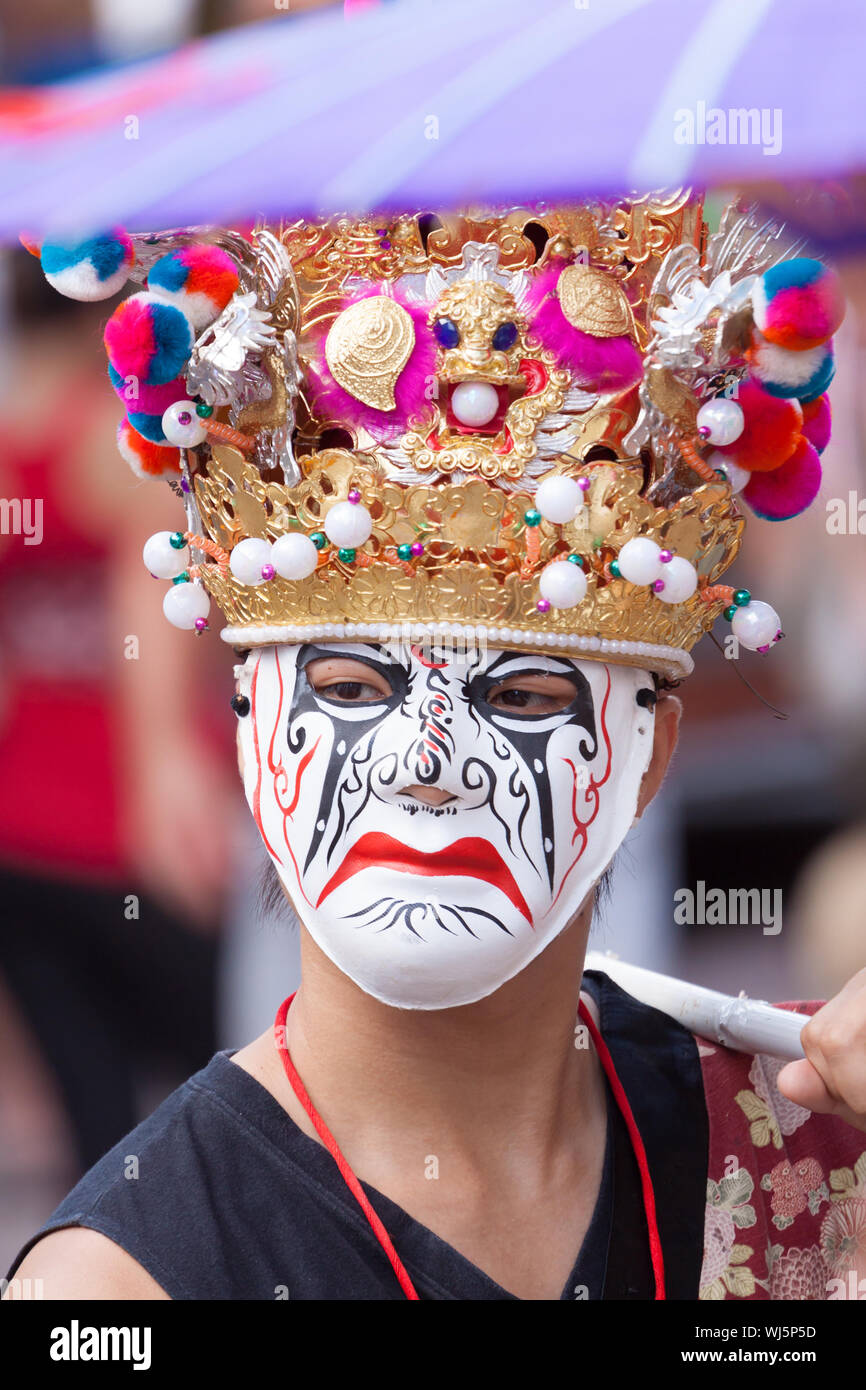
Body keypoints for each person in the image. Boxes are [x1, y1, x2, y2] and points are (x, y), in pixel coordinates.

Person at [5, 197, 866, 1301]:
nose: (429, 756)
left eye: (525, 693)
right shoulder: (124, 1287)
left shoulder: (807, 1141)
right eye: (354, 687)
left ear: (649, 754)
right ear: (248, 725)